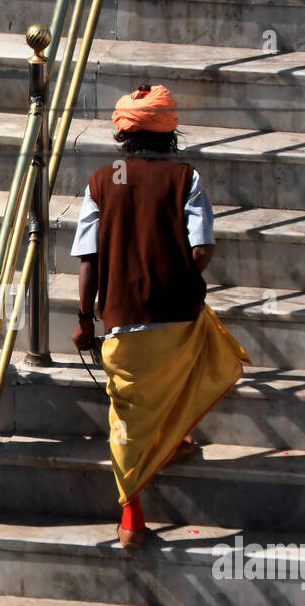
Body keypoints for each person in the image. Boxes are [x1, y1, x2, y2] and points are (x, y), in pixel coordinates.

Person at [70, 84, 248, 549]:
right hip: (178, 317)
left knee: (126, 415)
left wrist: (85, 320)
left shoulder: (100, 181)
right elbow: (203, 247)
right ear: (170, 132)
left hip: (122, 321)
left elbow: (87, 259)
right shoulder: (185, 178)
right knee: (205, 355)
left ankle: (131, 516)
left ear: (123, 133)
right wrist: (177, 277)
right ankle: (178, 437)